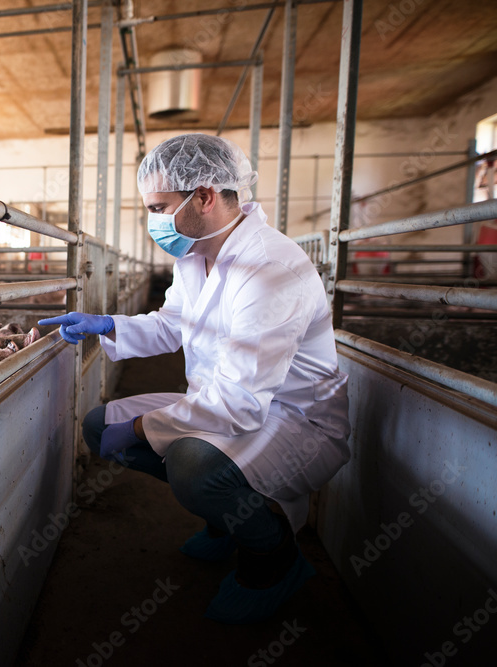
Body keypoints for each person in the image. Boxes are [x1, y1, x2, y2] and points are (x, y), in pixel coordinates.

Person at [39, 133, 350, 624]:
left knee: (191, 463)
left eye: (159, 206)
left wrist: (146, 428)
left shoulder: (271, 269)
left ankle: (272, 560)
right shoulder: (194, 253)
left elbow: (241, 404)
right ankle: (226, 520)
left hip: (293, 421)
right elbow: (174, 324)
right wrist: (110, 324)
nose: (153, 222)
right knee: (101, 427)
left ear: (204, 195)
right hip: (221, 402)